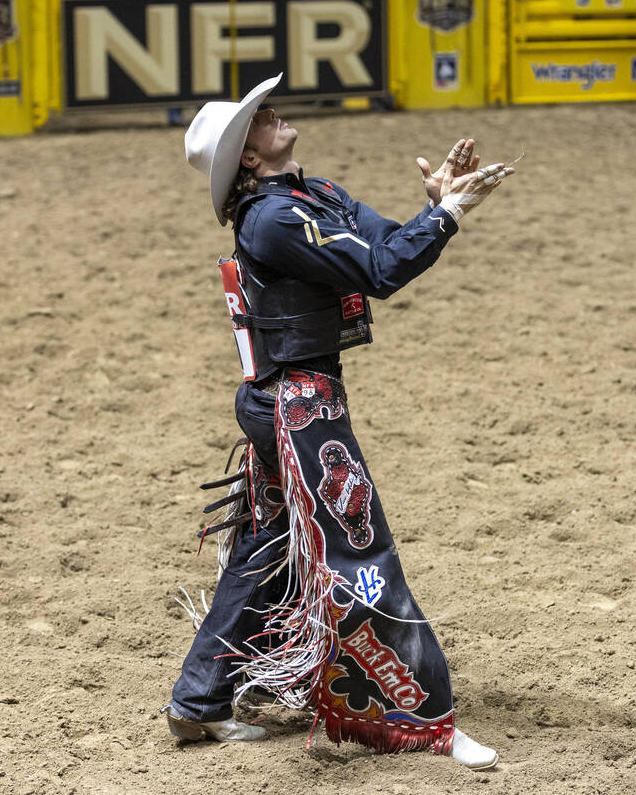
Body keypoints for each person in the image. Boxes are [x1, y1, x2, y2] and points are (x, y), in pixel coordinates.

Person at [161, 72, 514, 771]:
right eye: (259, 118)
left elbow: (384, 244)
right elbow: (383, 268)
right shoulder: (278, 216)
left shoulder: (302, 198)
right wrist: (446, 217)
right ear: (251, 160)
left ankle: (197, 700)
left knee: (269, 548)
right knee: (360, 550)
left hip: (283, 401)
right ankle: (420, 719)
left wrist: (435, 206)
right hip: (300, 408)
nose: (272, 114)